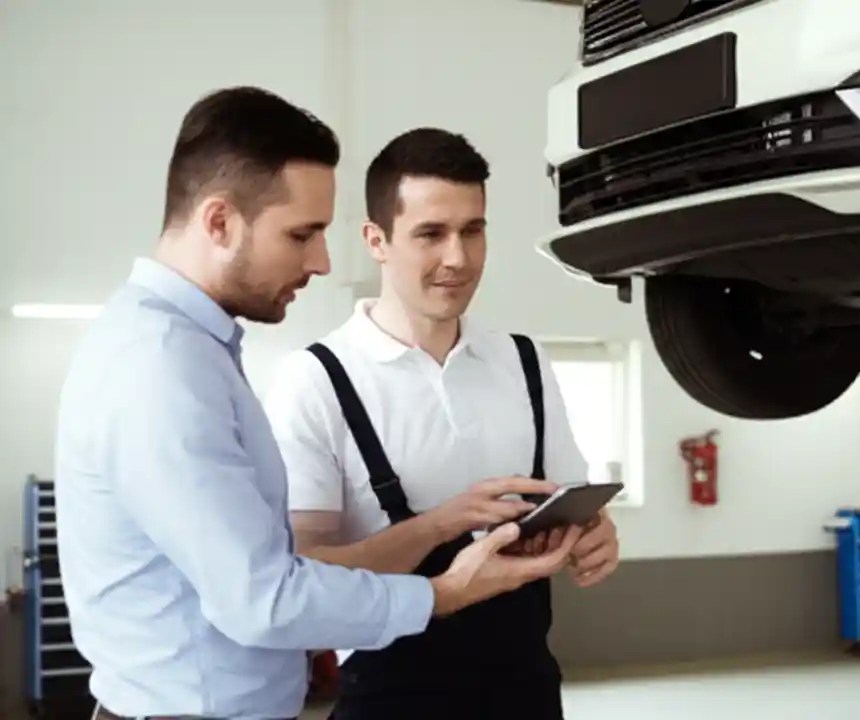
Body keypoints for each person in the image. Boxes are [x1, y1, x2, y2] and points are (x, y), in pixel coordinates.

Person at [53, 87, 580, 720]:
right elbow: (265, 597)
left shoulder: (193, 351)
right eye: (302, 234)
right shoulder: (161, 366)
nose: (323, 262)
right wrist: (439, 593)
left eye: (473, 230)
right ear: (219, 222)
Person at [262, 127, 622, 719]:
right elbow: (305, 574)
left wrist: (593, 535)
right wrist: (437, 525)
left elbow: (574, 505)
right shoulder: (317, 380)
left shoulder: (525, 362)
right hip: (390, 699)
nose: (458, 258)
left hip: (527, 693)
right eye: (431, 234)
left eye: (472, 231)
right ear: (376, 240)